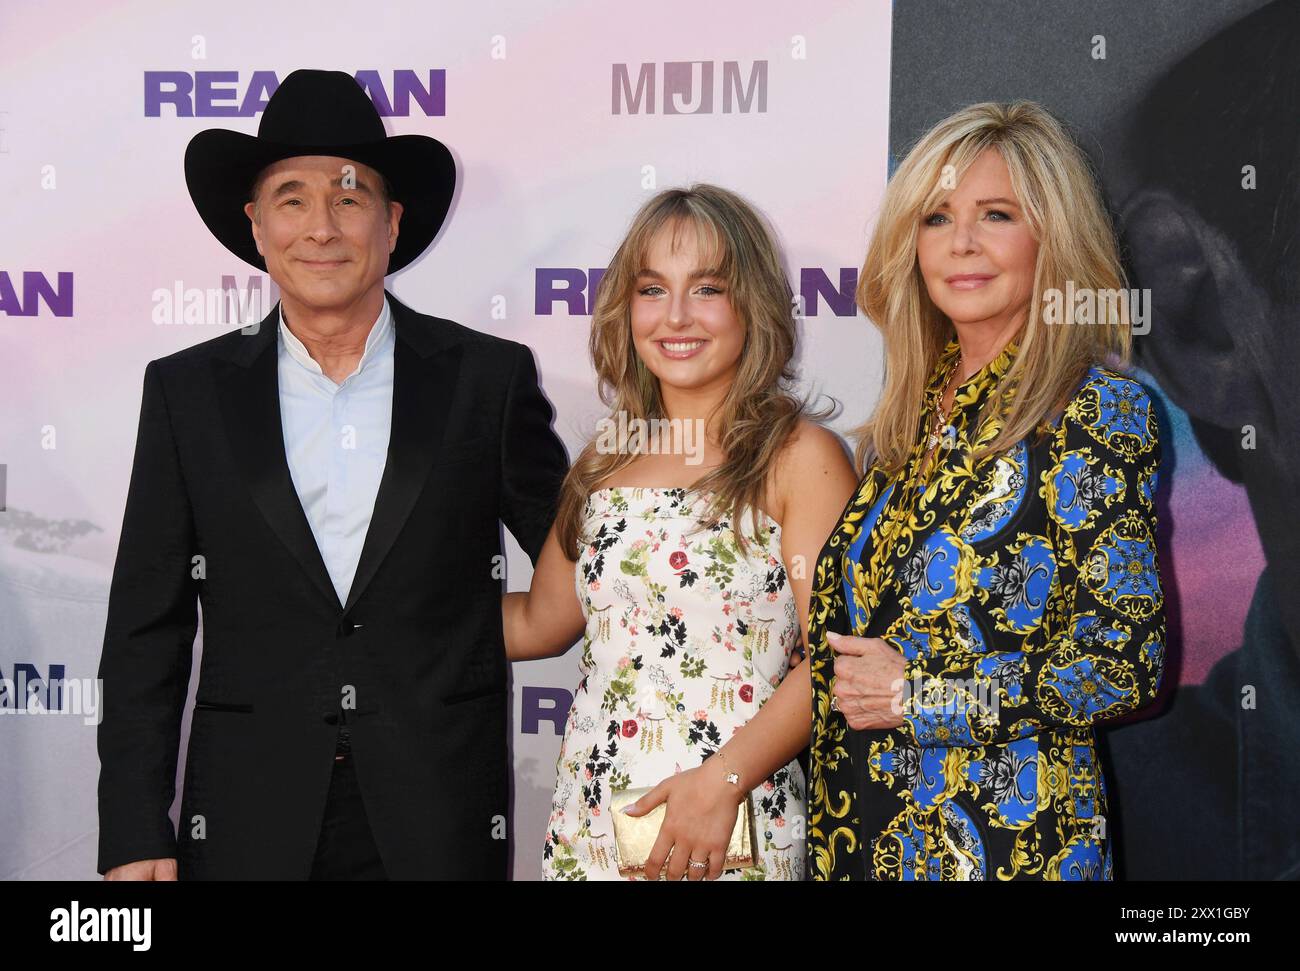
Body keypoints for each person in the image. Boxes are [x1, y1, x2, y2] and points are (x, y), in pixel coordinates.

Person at [95, 69, 569, 880]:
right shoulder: (185, 392)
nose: (321, 226)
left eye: (349, 198)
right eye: (291, 198)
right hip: (248, 817)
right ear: (255, 226)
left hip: (438, 814)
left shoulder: (485, 380)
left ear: (390, 222)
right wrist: (136, 827)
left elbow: (586, 559)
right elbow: (148, 629)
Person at [807, 101, 1165, 880]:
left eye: (995, 214)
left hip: (1009, 850)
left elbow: (1126, 658)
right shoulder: (906, 420)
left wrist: (926, 696)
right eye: (936, 218)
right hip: (859, 838)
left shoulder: (1094, 409)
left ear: (1052, 236)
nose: (961, 243)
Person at [503, 184, 858, 880]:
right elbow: (537, 622)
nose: (674, 316)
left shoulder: (799, 457)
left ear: (750, 302)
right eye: (651, 289)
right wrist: (370, 614)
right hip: (594, 829)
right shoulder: (606, 460)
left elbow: (835, 658)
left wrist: (721, 781)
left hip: (733, 825)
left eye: (706, 288)